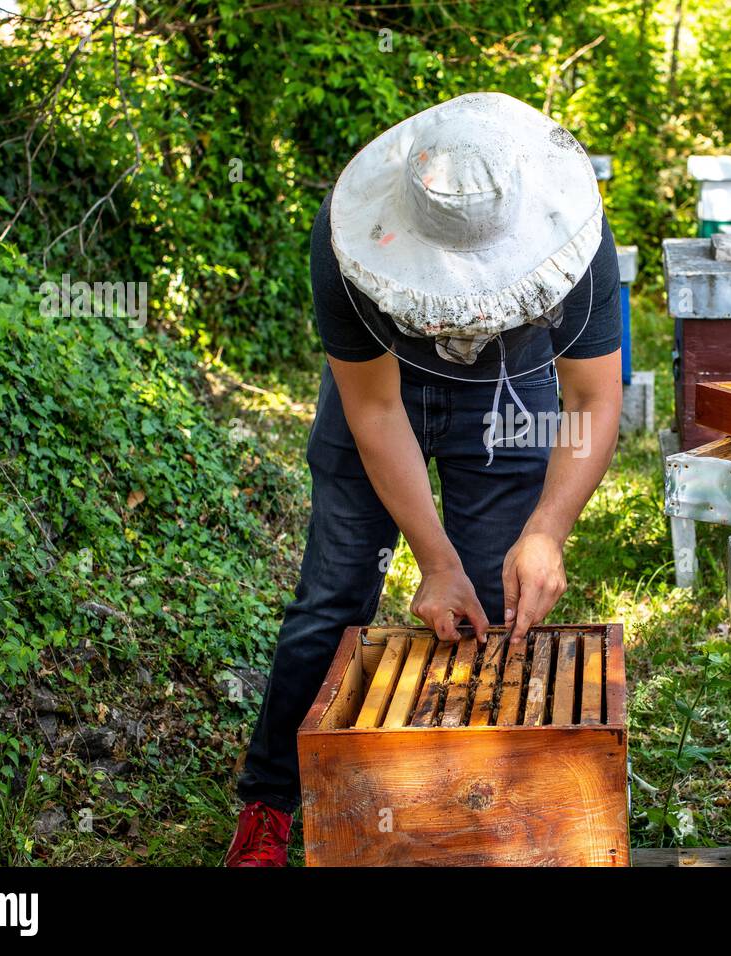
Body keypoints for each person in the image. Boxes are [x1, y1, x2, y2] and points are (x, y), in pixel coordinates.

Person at [225, 92, 622, 866]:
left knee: (494, 607)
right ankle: (269, 803)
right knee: (335, 595)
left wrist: (548, 531)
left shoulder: (578, 239)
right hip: (379, 391)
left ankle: (473, 812)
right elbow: (374, 410)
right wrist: (430, 563)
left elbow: (594, 398)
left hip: (508, 397)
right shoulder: (343, 240)